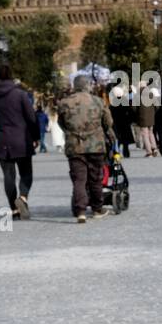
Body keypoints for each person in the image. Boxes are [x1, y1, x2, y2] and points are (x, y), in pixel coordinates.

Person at [57, 74, 115, 223]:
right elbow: (108, 122)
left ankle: (81, 211)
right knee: (95, 178)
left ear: (74, 86)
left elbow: (61, 123)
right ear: (88, 85)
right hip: (95, 145)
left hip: (74, 146)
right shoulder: (98, 101)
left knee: (79, 179)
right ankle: (97, 209)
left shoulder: (64, 103)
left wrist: (72, 133)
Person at [0, 65, 38, 220]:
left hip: (0, 139)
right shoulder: (19, 94)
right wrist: (36, 136)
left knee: (8, 176)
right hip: (21, 139)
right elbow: (31, 117)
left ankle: (13, 209)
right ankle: (23, 198)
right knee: (26, 173)